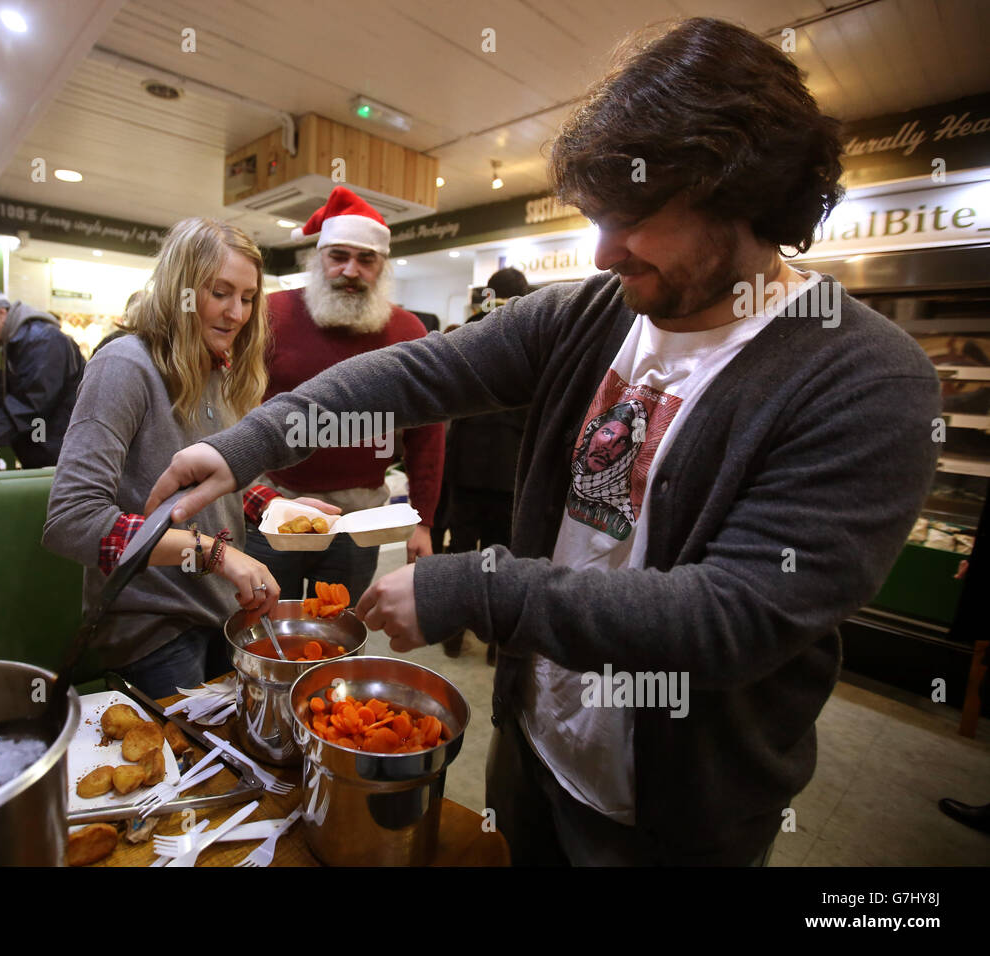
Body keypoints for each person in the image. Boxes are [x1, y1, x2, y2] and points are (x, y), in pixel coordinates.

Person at [145, 17, 942, 865]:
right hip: (532, 753)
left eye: (632, 218)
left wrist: (479, 592)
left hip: (676, 811)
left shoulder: (865, 380)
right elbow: (418, 375)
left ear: (747, 196)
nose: (603, 251)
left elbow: (733, 617)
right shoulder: (591, 313)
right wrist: (249, 443)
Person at [42, 219, 332, 700]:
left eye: (247, 298)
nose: (236, 313)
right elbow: (71, 521)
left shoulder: (224, 370)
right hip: (151, 628)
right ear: (180, 289)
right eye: (220, 293)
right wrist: (214, 553)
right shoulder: (124, 365)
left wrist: (276, 508)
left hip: (221, 614)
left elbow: (219, 484)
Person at [243, 185, 445, 602]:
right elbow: (233, 407)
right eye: (338, 256)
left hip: (360, 519)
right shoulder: (269, 315)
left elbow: (428, 432)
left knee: (335, 627)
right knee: (264, 625)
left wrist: (424, 521)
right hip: (276, 507)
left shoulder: (408, 331)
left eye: (365, 259)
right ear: (318, 259)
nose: (351, 270)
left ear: (381, 266)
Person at [440, 268, 531, 661]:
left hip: (466, 468)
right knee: (500, 556)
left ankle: (453, 632)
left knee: (461, 553)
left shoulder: (469, 333)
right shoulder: (533, 338)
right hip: (510, 471)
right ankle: (494, 642)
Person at [0, 277, 84, 467]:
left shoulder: (43, 341)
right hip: (46, 454)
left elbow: (28, 410)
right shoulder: (17, 344)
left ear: (0, 311)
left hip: (60, 461)